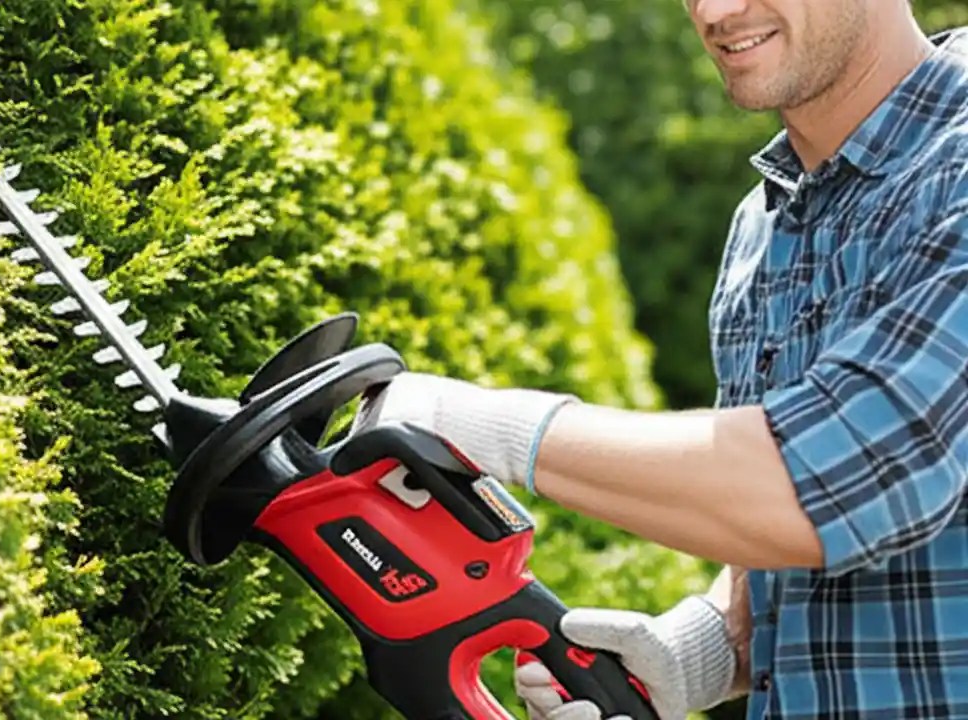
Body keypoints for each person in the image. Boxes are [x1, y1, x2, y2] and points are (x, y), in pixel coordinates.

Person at [351, 0, 968, 717]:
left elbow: (844, 474)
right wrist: (700, 650)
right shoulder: (763, 225)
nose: (717, 10)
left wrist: (481, 425)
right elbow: (778, 539)